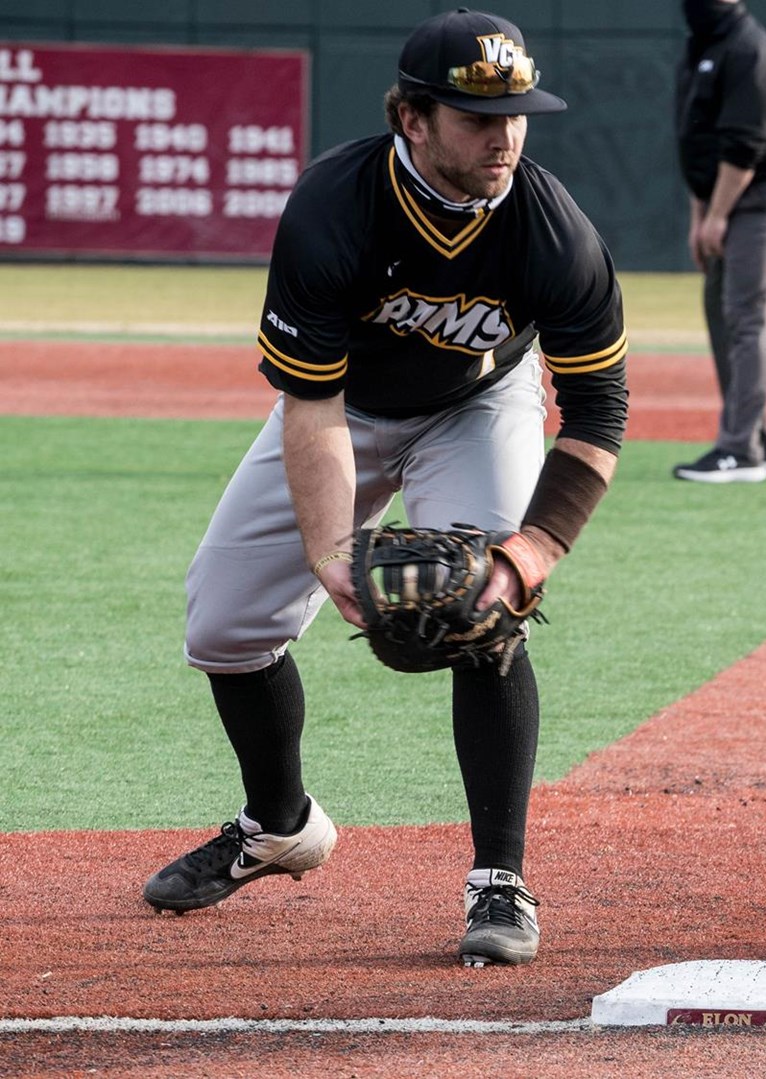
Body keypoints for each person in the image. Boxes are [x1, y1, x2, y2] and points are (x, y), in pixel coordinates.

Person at [141, 8, 630, 970]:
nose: (506, 137)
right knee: (224, 624)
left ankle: (500, 877)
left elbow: (601, 408)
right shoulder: (335, 205)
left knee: (483, 612)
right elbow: (311, 409)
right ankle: (278, 824)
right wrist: (331, 557)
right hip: (344, 412)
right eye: (477, 116)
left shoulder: (552, 231)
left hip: (481, 406)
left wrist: (527, 554)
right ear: (412, 118)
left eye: (518, 114)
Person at [672, 0, 766, 483]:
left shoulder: (749, 48)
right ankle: (758, 441)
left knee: (747, 315)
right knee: (721, 310)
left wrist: (717, 216)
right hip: (724, 198)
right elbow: (695, 141)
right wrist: (700, 217)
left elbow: (744, 144)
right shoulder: (703, 44)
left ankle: (738, 451)